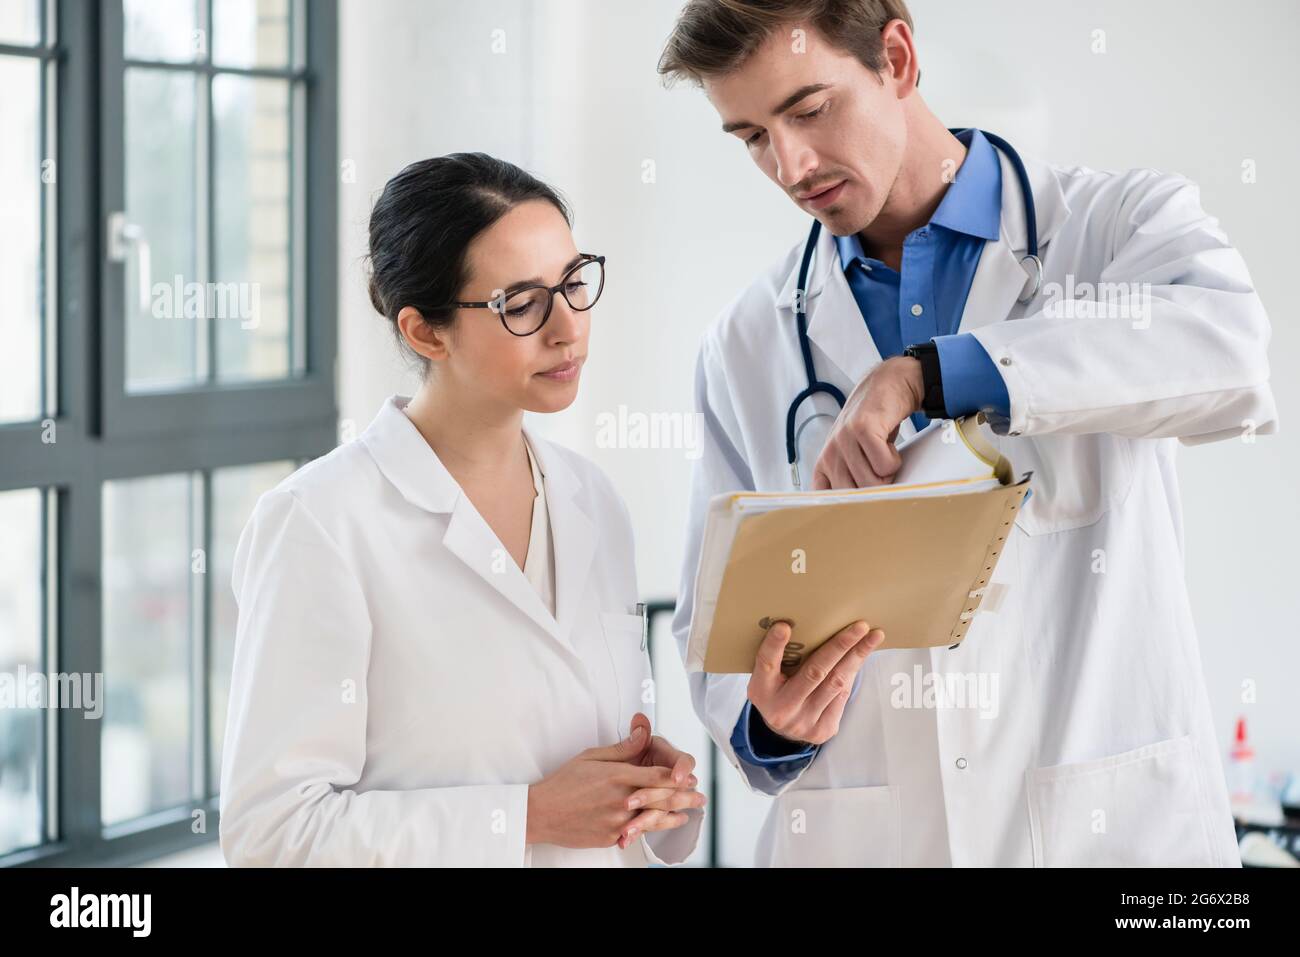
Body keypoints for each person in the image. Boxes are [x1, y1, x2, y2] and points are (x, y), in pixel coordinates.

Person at [659, 0, 1274, 866]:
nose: (789, 164)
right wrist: (771, 722)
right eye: (752, 136)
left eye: (807, 109)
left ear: (897, 58)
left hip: (1110, 832)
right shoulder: (747, 343)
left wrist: (932, 371)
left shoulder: (1112, 229)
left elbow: (1230, 353)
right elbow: (715, 636)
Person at [219, 153, 705, 866]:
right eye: (522, 303)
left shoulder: (592, 498)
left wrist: (645, 794)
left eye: (573, 283)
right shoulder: (320, 523)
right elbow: (272, 835)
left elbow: (584, 782)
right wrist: (527, 814)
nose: (567, 327)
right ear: (425, 333)